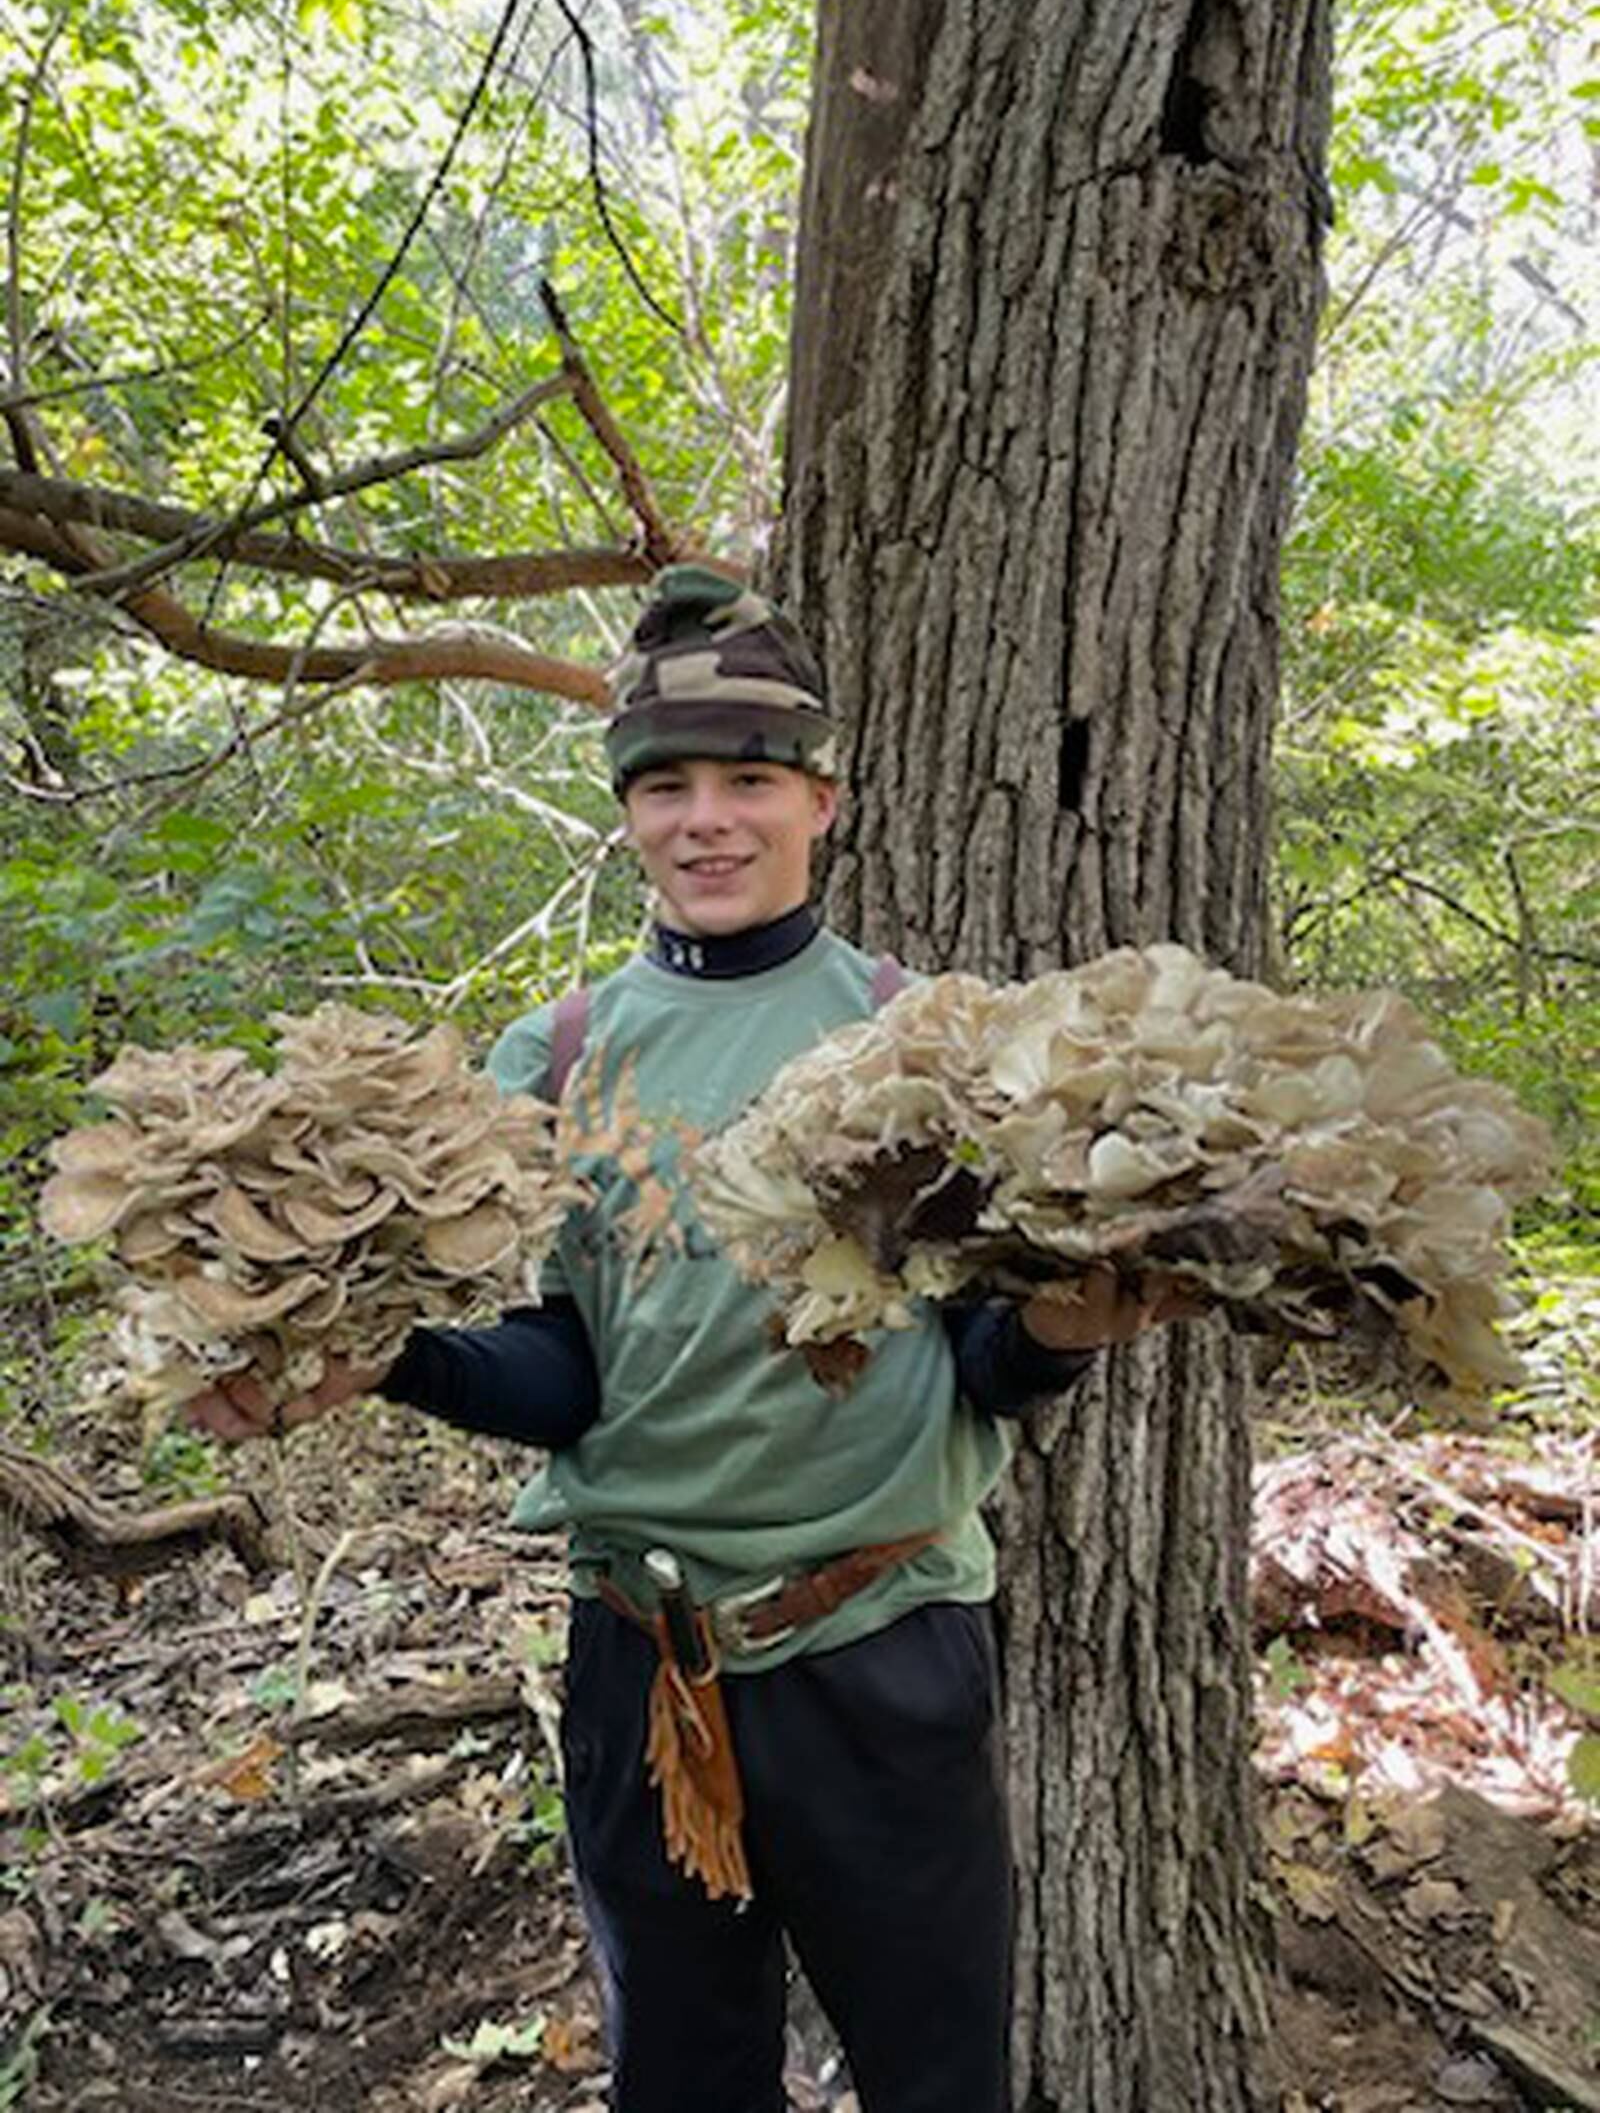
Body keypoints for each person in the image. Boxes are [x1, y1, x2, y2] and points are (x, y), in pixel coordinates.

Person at [191, 568, 1194, 2113]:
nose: (708, 820)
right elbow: (566, 1373)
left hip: (880, 1649)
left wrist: (1062, 1330)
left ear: (822, 801)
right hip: (645, 1665)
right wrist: (388, 1359)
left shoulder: (926, 1038)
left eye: (749, 780)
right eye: (667, 786)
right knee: (681, 2087)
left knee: (938, 2083)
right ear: (627, 815)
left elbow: (984, 1361)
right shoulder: (560, 1056)